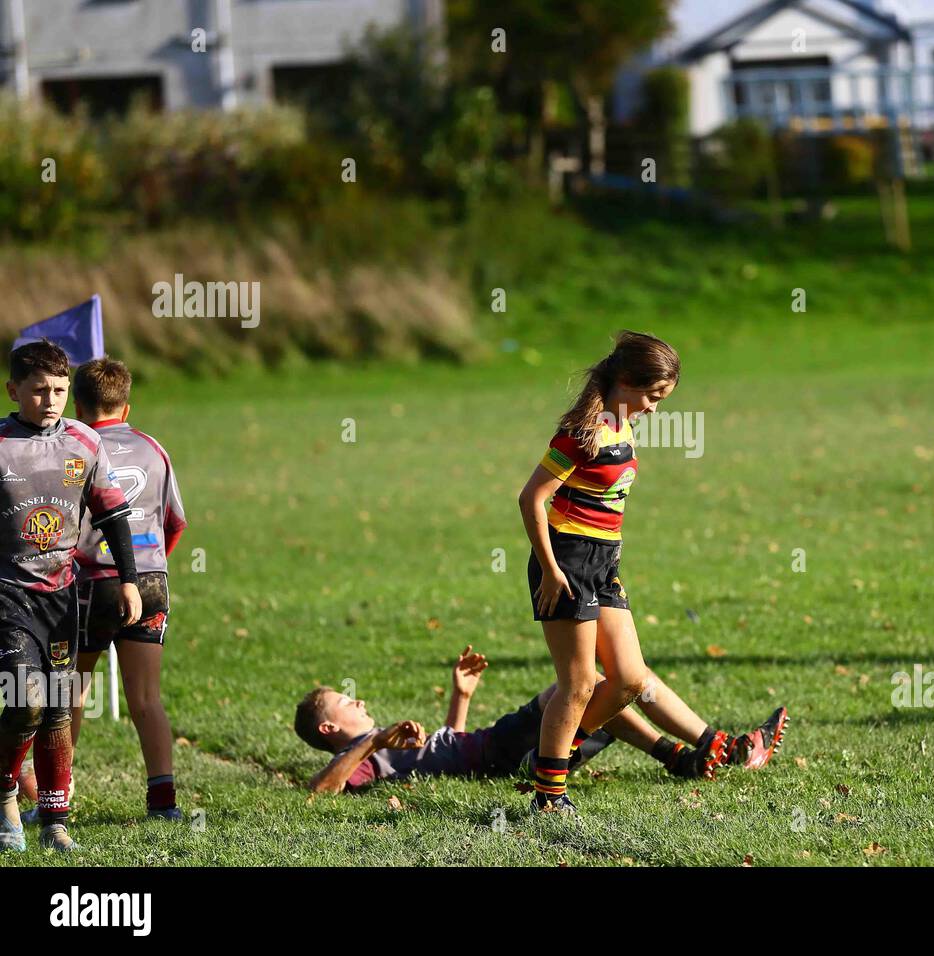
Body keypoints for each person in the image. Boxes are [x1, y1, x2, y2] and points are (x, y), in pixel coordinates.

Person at [517, 331, 679, 815]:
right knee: (579, 683)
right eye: (652, 396)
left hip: (603, 563)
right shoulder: (580, 434)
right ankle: (549, 795)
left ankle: (552, 757)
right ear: (626, 381)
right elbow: (531, 499)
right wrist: (548, 569)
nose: (654, 408)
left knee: (629, 679)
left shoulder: (620, 425)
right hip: (565, 562)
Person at [295, 646, 789, 793]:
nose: (357, 702)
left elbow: (450, 747)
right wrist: (373, 741)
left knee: (606, 685)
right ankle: (703, 746)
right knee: (584, 684)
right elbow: (319, 791)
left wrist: (460, 695)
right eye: (346, 702)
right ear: (328, 728)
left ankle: (684, 755)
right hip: (502, 753)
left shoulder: (381, 746)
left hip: (498, 749)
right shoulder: (353, 758)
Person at [0, 340, 141, 853]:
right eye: (39, 390)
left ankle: (55, 820)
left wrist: (129, 578)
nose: (52, 400)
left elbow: (111, 514)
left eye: (60, 390)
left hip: (61, 595)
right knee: (25, 701)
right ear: (14, 390)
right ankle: (5, 799)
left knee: (58, 708)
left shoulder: (83, 442)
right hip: (8, 595)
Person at [67, 357, 188, 820]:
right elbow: (175, 522)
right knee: (146, 698)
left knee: (71, 693)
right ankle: (164, 804)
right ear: (127, 404)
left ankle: (59, 797)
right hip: (150, 582)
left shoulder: (72, 446)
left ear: (78, 405)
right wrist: (144, 572)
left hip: (88, 583)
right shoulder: (153, 448)